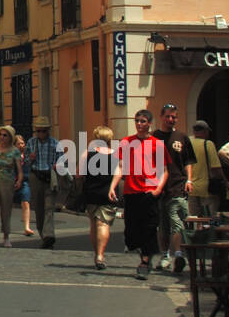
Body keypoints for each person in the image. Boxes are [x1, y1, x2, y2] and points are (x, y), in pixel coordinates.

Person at [112, 109, 167, 279]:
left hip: (149, 192)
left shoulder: (157, 144)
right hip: (131, 191)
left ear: (150, 123)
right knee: (131, 232)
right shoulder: (127, 142)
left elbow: (164, 170)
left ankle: (145, 261)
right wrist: (112, 186)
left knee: (149, 228)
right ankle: (145, 254)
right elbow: (120, 167)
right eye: (137, 121)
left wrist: (158, 189)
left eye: (143, 121)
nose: (139, 124)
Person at [152, 103, 193, 274]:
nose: (171, 119)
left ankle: (178, 255)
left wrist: (189, 180)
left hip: (178, 185)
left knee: (177, 222)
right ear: (161, 117)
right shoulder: (154, 137)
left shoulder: (182, 137)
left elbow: (189, 161)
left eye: (174, 117)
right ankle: (165, 255)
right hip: (159, 188)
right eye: (168, 116)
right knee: (163, 226)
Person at [80, 126, 121, 270]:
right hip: (107, 192)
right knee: (103, 224)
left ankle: (96, 253)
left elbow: (79, 173)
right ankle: (100, 256)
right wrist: (112, 187)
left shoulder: (88, 153)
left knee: (93, 224)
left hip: (91, 192)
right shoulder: (115, 154)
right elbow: (118, 173)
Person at [24, 115, 65, 249]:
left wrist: (57, 166)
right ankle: (43, 234)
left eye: (44, 131)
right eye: (38, 131)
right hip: (36, 177)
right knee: (39, 209)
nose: (41, 133)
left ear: (48, 131)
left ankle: (49, 235)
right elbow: (25, 163)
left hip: (50, 177)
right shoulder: (31, 143)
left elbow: (62, 160)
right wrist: (30, 158)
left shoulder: (55, 143)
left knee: (49, 207)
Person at [189, 120, 225, 217]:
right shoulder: (208, 144)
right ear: (205, 131)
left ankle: (197, 232)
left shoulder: (187, 143)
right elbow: (216, 167)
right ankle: (212, 232)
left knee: (195, 219)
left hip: (191, 188)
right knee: (211, 218)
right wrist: (225, 181)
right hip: (207, 189)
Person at [13, 134, 34, 235]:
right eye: (18, 144)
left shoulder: (27, 156)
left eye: (22, 143)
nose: (21, 145)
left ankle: (27, 227)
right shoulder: (11, 156)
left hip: (25, 182)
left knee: (25, 202)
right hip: (11, 182)